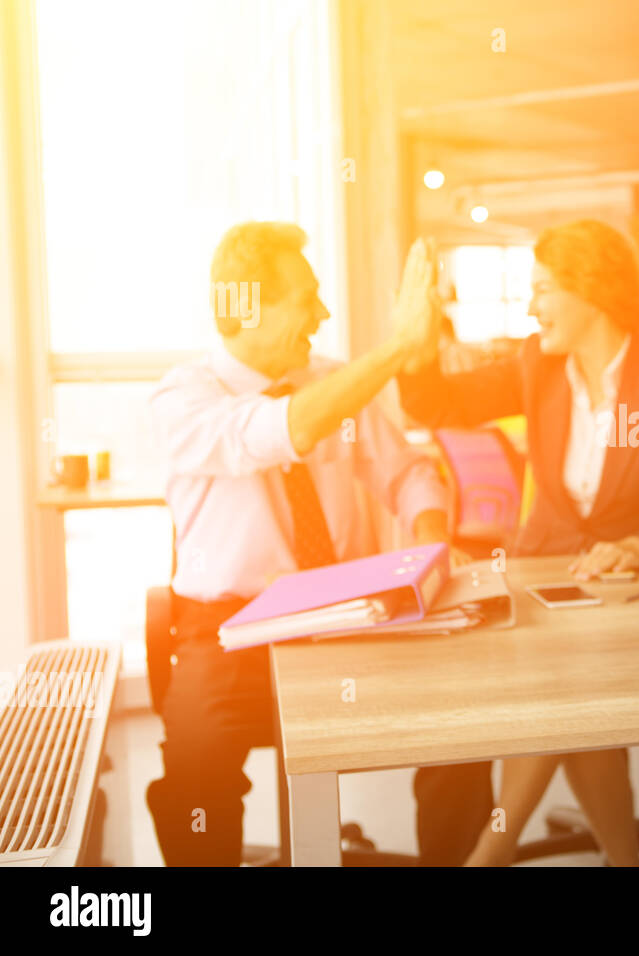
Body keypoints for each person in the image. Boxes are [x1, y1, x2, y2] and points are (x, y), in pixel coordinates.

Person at [147, 222, 486, 865]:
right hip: (229, 628)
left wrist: (432, 539)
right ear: (248, 305)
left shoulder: (332, 383)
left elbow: (408, 473)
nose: (323, 314)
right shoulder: (182, 398)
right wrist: (396, 350)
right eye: (308, 298)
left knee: (458, 727)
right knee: (194, 769)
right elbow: (276, 432)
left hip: (347, 614)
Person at [399, 219, 639, 866]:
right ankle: (621, 858)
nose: (532, 307)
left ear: (590, 290)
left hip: (630, 596)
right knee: (570, 695)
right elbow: (441, 405)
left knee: (570, 688)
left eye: (543, 289)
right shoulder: (541, 365)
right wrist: (414, 346)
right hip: (544, 577)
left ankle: (494, 849)